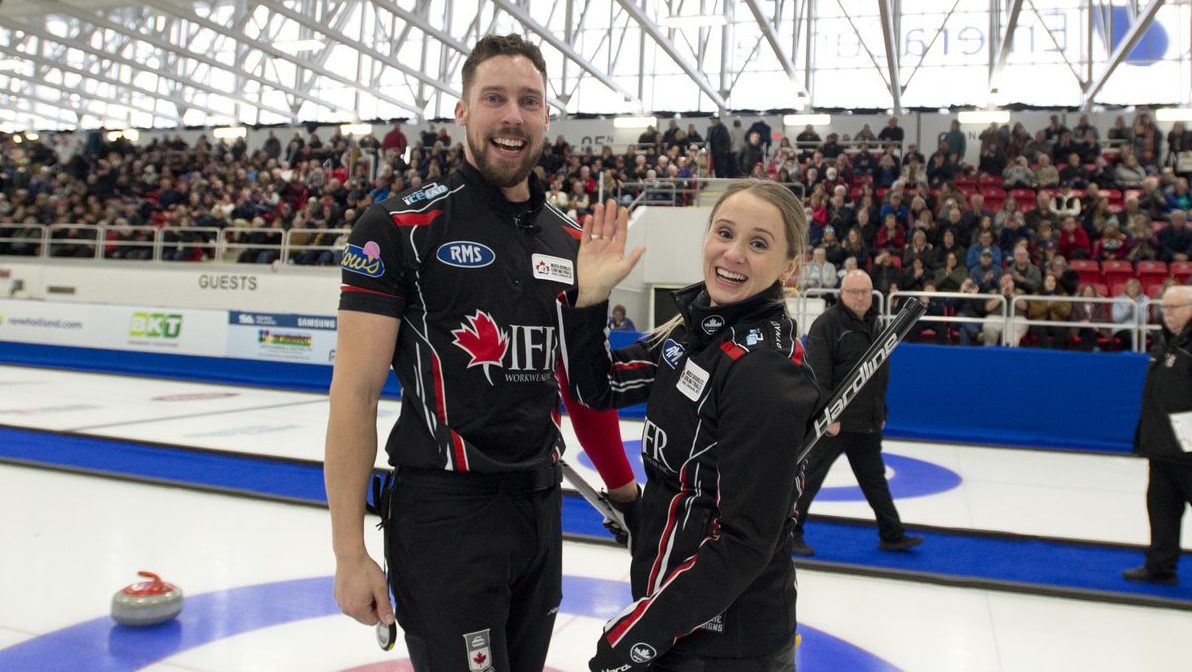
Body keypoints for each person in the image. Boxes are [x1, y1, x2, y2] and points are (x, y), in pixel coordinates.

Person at [323, 34, 636, 672]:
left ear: (547, 116)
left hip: (540, 508)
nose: (512, 116)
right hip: (445, 515)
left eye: (529, 100)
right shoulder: (400, 229)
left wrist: (626, 492)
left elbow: (583, 389)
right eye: (494, 98)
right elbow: (353, 394)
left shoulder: (573, 239)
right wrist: (349, 552)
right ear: (463, 111)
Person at [559, 182, 820, 671]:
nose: (733, 253)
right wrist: (591, 297)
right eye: (724, 232)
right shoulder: (696, 327)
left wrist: (639, 634)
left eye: (758, 243)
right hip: (674, 612)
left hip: (726, 644)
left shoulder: (764, 372)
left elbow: (744, 542)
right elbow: (601, 387)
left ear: (789, 268)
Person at [791, 269, 924, 556]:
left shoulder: (876, 324)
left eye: (866, 292)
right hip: (833, 423)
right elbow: (816, 375)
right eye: (855, 292)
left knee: (875, 480)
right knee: (809, 479)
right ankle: (790, 533)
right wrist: (827, 416)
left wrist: (880, 411)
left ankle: (892, 533)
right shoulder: (826, 325)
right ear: (842, 293)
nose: (862, 298)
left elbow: (877, 374)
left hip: (865, 423)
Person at [1123, 285, 1192, 585]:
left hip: (1189, 447)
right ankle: (1160, 566)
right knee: (1161, 509)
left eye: (1173, 307)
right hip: (1161, 446)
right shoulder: (1165, 342)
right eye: (1164, 308)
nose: (1167, 314)